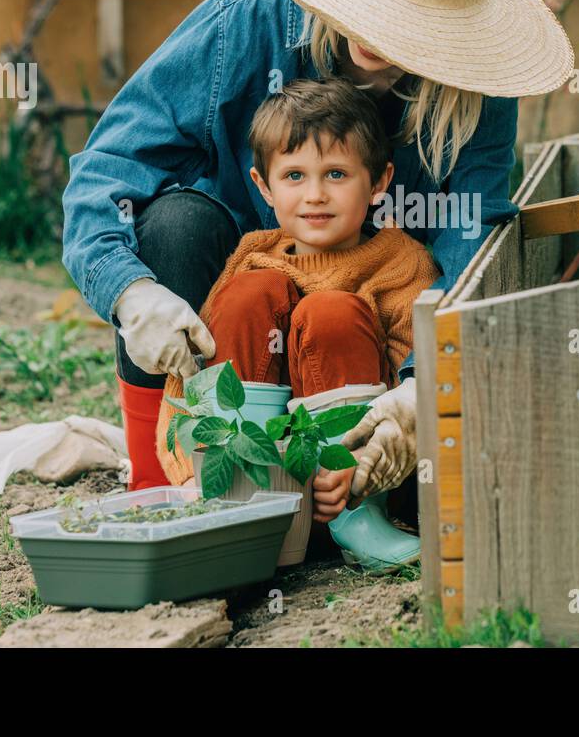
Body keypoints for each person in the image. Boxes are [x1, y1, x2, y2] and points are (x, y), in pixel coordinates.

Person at [61, 0, 574, 511]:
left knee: (358, 367)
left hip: (374, 306)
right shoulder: (245, 26)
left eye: (411, 22)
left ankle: (349, 490)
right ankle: (161, 480)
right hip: (238, 297)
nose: (382, 33)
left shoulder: (474, 89)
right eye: (376, 3)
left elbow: (470, 232)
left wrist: (427, 378)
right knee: (172, 225)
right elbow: (108, 168)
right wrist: (129, 291)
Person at [154, 78, 440, 566]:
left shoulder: (401, 263)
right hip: (265, 490)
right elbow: (188, 378)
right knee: (248, 295)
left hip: (350, 486)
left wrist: (360, 470)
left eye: (335, 174)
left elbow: (409, 385)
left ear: (378, 182)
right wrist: (185, 474)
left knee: (331, 310)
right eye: (293, 176)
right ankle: (234, 499)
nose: (315, 195)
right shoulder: (251, 257)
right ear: (263, 185)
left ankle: (357, 520)